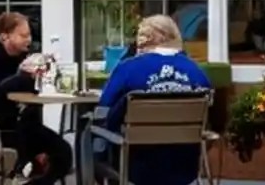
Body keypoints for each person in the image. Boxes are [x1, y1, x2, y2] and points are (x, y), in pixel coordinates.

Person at [89, 14, 211, 185]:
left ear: (146, 39)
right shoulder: (196, 71)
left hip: (135, 169)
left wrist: (97, 156)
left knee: (92, 131)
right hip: (185, 168)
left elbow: (103, 112)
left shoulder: (127, 69)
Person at [0, 12, 73, 184]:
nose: (29, 40)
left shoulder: (18, 56)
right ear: (4, 37)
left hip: (16, 124)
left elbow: (27, 92)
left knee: (62, 153)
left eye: (30, 35)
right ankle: (25, 172)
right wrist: (23, 75)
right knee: (59, 152)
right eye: (23, 35)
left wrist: (40, 75)